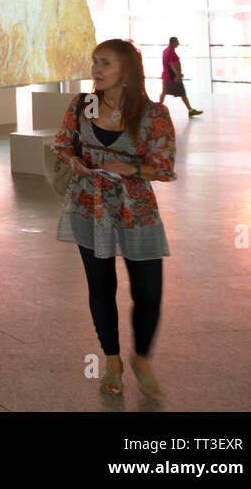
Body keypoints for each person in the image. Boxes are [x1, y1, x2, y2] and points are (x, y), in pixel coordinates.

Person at [52, 38, 176, 399]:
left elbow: (165, 168)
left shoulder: (153, 114)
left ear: (127, 71)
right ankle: (113, 361)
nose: (96, 69)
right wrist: (73, 160)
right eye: (95, 62)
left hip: (137, 212)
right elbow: (62, 143)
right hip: (88, 207)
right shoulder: (82, 104)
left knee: (149, 292)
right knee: (101, 287)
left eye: (105, 63)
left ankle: (142, 358)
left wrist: (132, 167)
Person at [158, 37, 202, 117]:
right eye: (177, 42)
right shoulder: (170, 51)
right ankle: (190, 110)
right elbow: (172, 64)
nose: (178, 43)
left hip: (167, 76)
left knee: (165, 92)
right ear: (172, 43)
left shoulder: (166, 50)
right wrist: (178, 75)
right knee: (182, 93)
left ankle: (158, 108)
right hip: (172, 78)